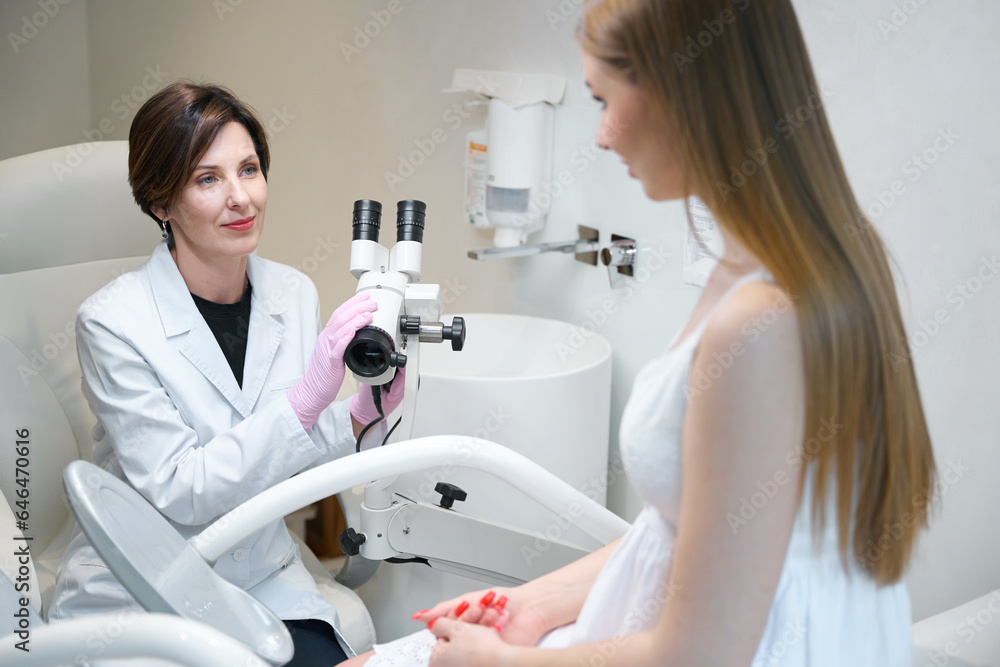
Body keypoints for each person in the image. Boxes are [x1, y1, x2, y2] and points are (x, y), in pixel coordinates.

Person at [345, 1, 937, 665]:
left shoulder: (759, 323)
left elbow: (702, 652)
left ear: (685, 93)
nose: (601, 135)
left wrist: (500, 662)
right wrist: (534, 604)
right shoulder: (799, 258)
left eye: (604, 98)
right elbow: (684, 532)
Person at [48, 82, 403, 665]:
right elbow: (181, 491)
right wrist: (307, 401)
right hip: (148, 586)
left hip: (261, 577)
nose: (242, 198)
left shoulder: (292, 292)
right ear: (160, 203)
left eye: (250, 169)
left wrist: (357, 419)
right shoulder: (112, 323)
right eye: (207, 179)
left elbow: (284, 458)